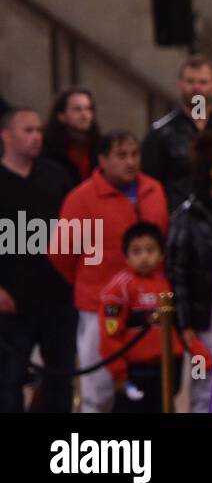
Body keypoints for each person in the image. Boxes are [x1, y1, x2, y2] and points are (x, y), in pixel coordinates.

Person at [50, 131, 169, 412]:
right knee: (98, 389)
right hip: (99, 306)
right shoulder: (80, 198)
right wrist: (91, 284)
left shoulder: (154, 190)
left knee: (151, 387)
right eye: (121, 156)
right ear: (102, 160)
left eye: (134, 155)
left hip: (147, 307)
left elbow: (165, 240)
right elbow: (61, 252)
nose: (130, 162)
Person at [0, 107, 77, 412]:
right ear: (6, 136)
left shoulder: (55, 175)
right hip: (12, 301)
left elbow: (76, 229)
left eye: (39, 130)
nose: (36, 137)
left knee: (61, 380)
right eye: (28, 131)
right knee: (9, 381)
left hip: (57, 297)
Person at [100, 221, 212, 413]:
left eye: (150, 250)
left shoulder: (167, 285)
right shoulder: (119, 288)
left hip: (168, 368)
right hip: (136, 370)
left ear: (161, 254)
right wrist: (118, 372)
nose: (144, 257)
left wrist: (201, 356)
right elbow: (110, 334)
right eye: (136, 251)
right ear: (126, 257)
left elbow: (180, 326)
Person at [165, 129, 212, 412]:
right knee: (206, 385)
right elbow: (177, 274)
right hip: (207, 311)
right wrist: (187, 326)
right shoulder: (188, 216)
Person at [141, 55, 212, 210]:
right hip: (179, 222)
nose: (196, 88)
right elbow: (149, 186)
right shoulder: (160, 133)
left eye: (203, 82)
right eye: (190, 81)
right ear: (180, 85)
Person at [41, 86, 100, 192]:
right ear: (61, 116)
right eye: (77, 109)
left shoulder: (100, 146)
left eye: (88, 109)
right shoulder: (47, 149)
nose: (84, 115)